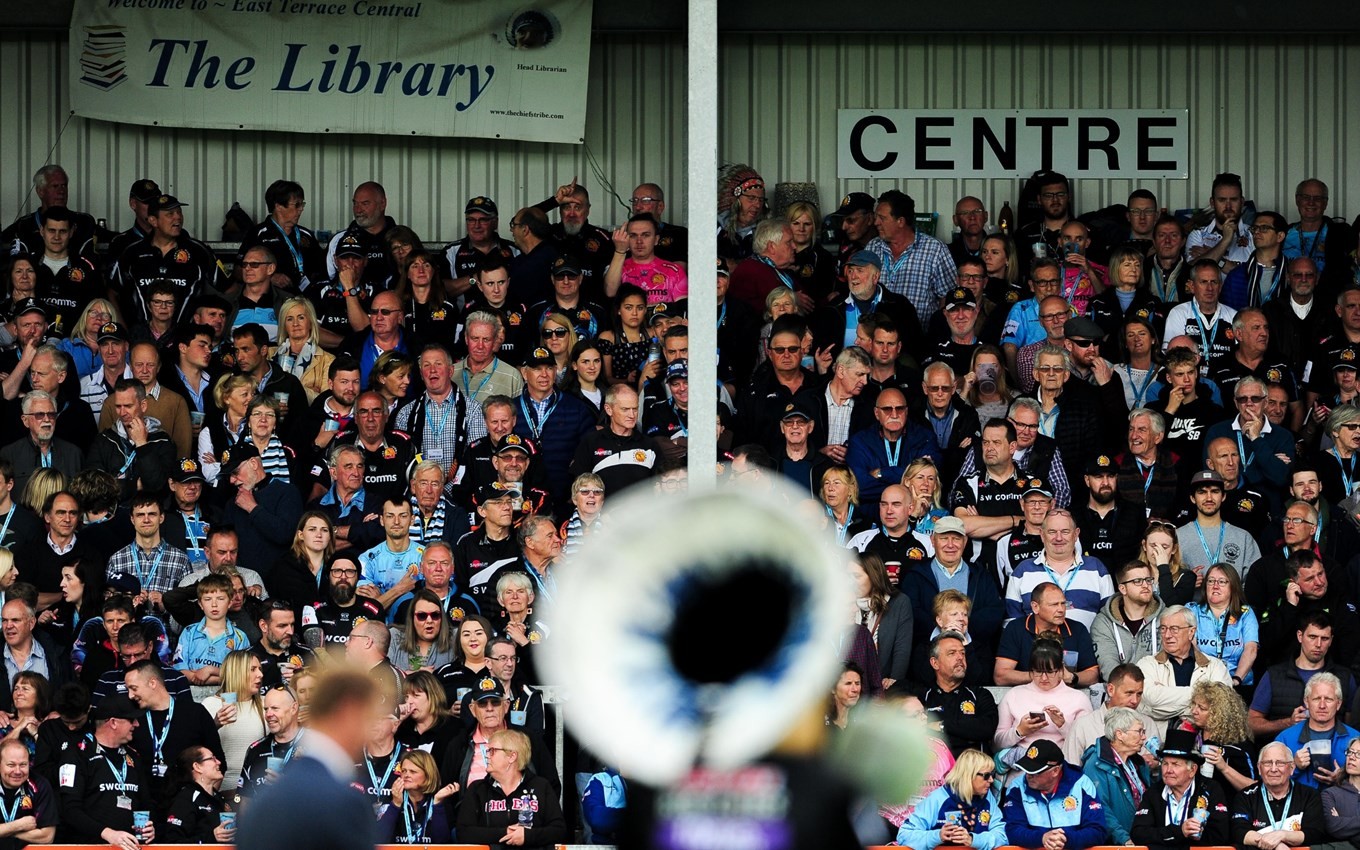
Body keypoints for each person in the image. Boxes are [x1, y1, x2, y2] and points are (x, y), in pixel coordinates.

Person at [235, 669, 383, 850]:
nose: (269, 714)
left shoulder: (267, 802)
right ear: (348, 715)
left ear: (294, 708)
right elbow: (245, 803)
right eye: (266, 709)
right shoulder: (345, 803)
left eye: (275, 708)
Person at [54, 693, 156, 848]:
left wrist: (149, 827)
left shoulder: (133, 756)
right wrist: (108, 834)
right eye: (131, 720)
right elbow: (70, 810)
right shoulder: (77, 754)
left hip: (130, 846)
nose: (137, 724)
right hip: (90, 846)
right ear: (113, 722)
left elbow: (145, 803)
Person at [124, 659, 224, 809]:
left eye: (134, 688)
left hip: (189, 810)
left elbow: (219, 762)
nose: (130, 695)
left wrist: (203, 803)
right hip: (146, 810)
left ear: (152, 683)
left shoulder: (195, 713)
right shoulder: (133, 719)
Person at [1005, 509, 1115, 630]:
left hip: (1087, 647)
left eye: (1065, 531)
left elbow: (1110, 619)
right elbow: (1013, 622)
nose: (1058, 538)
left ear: (1076, 534)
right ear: (1042, 534)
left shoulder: (1096, 568)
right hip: (1035, 648)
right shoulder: (1022, 571)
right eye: (1052, 532)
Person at [1136, 604, 1233, 735]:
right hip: (1158, 744)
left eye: (1174, 629)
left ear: (1191, 632)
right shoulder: (1146, 664)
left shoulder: (1215, 666)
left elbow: (1220, 707)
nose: (1167, 635)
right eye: (1163, 629)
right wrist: (1202, 697)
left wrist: (1166, 703)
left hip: (1203, 746)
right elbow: (1151, 702)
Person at [1129, 728, 1232, 850]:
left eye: (1175, 764)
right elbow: (1138, 834)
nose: (1168, 770)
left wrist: (1173, 840)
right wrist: (1179, 832)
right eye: (1165, 764)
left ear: (1192, 770)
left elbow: (1220, 835)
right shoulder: (1154, 793)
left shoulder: (1210, 790)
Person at [994, 637, 1092, 758]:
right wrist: (1019, 731)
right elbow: (997, 743)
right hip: (1021, 762)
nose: (1044, 678)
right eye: (1038, 671)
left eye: (1050, 672)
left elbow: (1086, 745)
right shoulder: (1013, 695)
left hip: (1060, 763)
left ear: (1061, 669)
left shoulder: (1079, 699)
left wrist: (1062, 725)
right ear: (1031, 669)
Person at [1001, 738, 1106, 850]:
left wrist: (1064, 839)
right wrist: (1042, 838)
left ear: (1055, 771)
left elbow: (1098, 831)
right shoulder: (1017, 787)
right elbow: (1011, 830)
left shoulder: (1082, 784)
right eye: (1027, 769)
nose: (1028, 775)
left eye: (1035, 771)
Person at [895, 748, 1008, 850]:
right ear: (968, 775)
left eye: (993, 775)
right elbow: (904, 835)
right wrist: (938, 836)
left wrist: (973, 840)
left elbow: (1003, 835)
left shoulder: (987, 797)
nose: (991, 780)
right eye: (987, 775)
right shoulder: (938, 799)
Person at [995, 581, 1100, 687]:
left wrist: (1072, 677)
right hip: (1027, 698)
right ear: (1035, 607)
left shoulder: (1077, 629)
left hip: (1067, 699)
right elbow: (1000, 676)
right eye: (1054, 604)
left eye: (1063, 603)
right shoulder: (1016, 628)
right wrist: (1044, 676)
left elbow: (1093, 675)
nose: (1061, 610)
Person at [914, 631, 999, 756]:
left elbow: (986, 729)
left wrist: (941, 726)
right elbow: (915, 730)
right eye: (952, 653)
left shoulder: (980, 694)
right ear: (935, 663)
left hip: (973, 772)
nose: (960, 657)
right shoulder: (923, 697)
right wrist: (966, 733)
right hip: (934, 770)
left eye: (962, 653)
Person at [1234, 740, 1328, 850]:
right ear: (1259, 768)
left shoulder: (1310, 795)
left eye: (1280, 763)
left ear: (1292, 768)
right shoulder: (1245, 796)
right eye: (1268, 763)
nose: (1273, 769)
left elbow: (1315, 833)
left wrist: (1282, 835)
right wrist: (1277, 846)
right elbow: (1238, 832)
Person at [1079, 707, 1151, 846]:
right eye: (1139, 731)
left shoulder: (1138, 762)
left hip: (1138, 839)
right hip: (1115, 843)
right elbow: (1100, 807)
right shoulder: (1096, 764)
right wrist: (1123, 838)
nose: (1144, 737)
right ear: (1120, 734)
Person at [172, 574, 251, 701]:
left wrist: (211, 670)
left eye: (220, 599)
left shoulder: (240, 637)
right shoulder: (189, 632)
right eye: (208, 599)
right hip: (191, 697)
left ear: (230, 602)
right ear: (200, 604)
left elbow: (243, 674)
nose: (214, 604)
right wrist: (195, 677)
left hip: (226, 699)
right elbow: (178, 669)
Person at [1275, 671, 1358, 790]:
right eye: (1316, 699)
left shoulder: (1355, 740)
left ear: (1338, 704)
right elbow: (1269, 783)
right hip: (1299, 806)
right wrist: (1294, 766)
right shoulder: (1285, 739)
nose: (1322, 705)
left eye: (1328, 699)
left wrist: (1343, 779)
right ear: (1306, 702)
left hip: (1340, 807)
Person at [1062, 663, 1157, 765]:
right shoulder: (1083, 726)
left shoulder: (1148, 724)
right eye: (1129, 693)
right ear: (1110, 690)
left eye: (1139, 694)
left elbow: (1160, 765)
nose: (1134, 700)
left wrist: (1154, 765)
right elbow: (1069, 771)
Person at [199, 650, 265, 793]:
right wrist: (214, 724)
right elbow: (195, 747)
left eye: (260, 669)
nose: (260, 674)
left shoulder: (266, 705)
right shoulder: (211, 704)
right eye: (253, 669)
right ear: (236, 672)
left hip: (255, 791)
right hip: (219, 788)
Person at [1176, 470, 1262, 576]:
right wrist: (1185, 584)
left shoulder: (1243, 538)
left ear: (1223, 496)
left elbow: (1255, 583)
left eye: (1214, 491)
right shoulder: (1177, 537)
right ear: (1192, 498)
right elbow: (1165, 580)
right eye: (1202, 492)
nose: (1209, 498)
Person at [1091, 560, 1166, 678]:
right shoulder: (1103, 622)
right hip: (1120, 690)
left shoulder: (1166, 617)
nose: (1145, 585)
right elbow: (1109, 667)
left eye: (1148, 580)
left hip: (1157, 689)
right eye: (1137, 581)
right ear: (1122, 589)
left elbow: (1167, 665)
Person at [1188, 563, 1258, 687]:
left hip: (1239, 685)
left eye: (1222, 582)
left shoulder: (1245, 613)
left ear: (1233, 586)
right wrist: (1210, 678)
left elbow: (1251, 649)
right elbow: (1192, 648)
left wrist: (1235, 680)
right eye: (1210, 581)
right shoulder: (1192, 610)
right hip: (1202, 683)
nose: (1215, 586)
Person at [1180, 680, 1256, 793]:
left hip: (1226, 806)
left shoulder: (1237, 746)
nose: (1194, 711)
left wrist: (1224, 768)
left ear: (1218, 714)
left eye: (1202, 708)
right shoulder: (1192, 736)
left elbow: (1254, 788)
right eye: (1194, 705)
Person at [376, 748, 458, 843]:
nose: (406, 775)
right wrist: (395, 805)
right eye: (404, 771)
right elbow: (379, 838)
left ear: (428, 774)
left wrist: (437, 805)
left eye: (413, 772)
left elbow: (442, 843)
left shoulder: (441, 801)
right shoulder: (392, 799)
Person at [162, 744, 235, 843]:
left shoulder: (217, 797)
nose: (218, 762)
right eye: (212, 758)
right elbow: (173, 842)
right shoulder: (186, 798)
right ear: (197, 766)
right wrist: (211, 837)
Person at [395, 671, 459, 766]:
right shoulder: (402, 728)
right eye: (406, 697)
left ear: (433, 696)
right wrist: (397, 723)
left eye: (416, 696)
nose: (409, 702)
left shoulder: (453, 728)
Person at [388, 589, 457, 674]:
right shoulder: (394, 636)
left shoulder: (455, 637)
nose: (429, 620)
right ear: (412, 618)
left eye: (435, 615)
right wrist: (414, 674)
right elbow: (383, 678)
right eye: (422, 616)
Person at [1322, 737, 1360, 846]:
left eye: (1359, 754)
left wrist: (1344, 822)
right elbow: (1334, 828)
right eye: (1350, 752)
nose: (1352, 757)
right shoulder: (1330, 794)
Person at [825, 662, 862, 730]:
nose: (855, 689)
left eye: (857, 683)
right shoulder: (819, 724)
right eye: (848, 683)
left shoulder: (862, 722)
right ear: (833, 688)